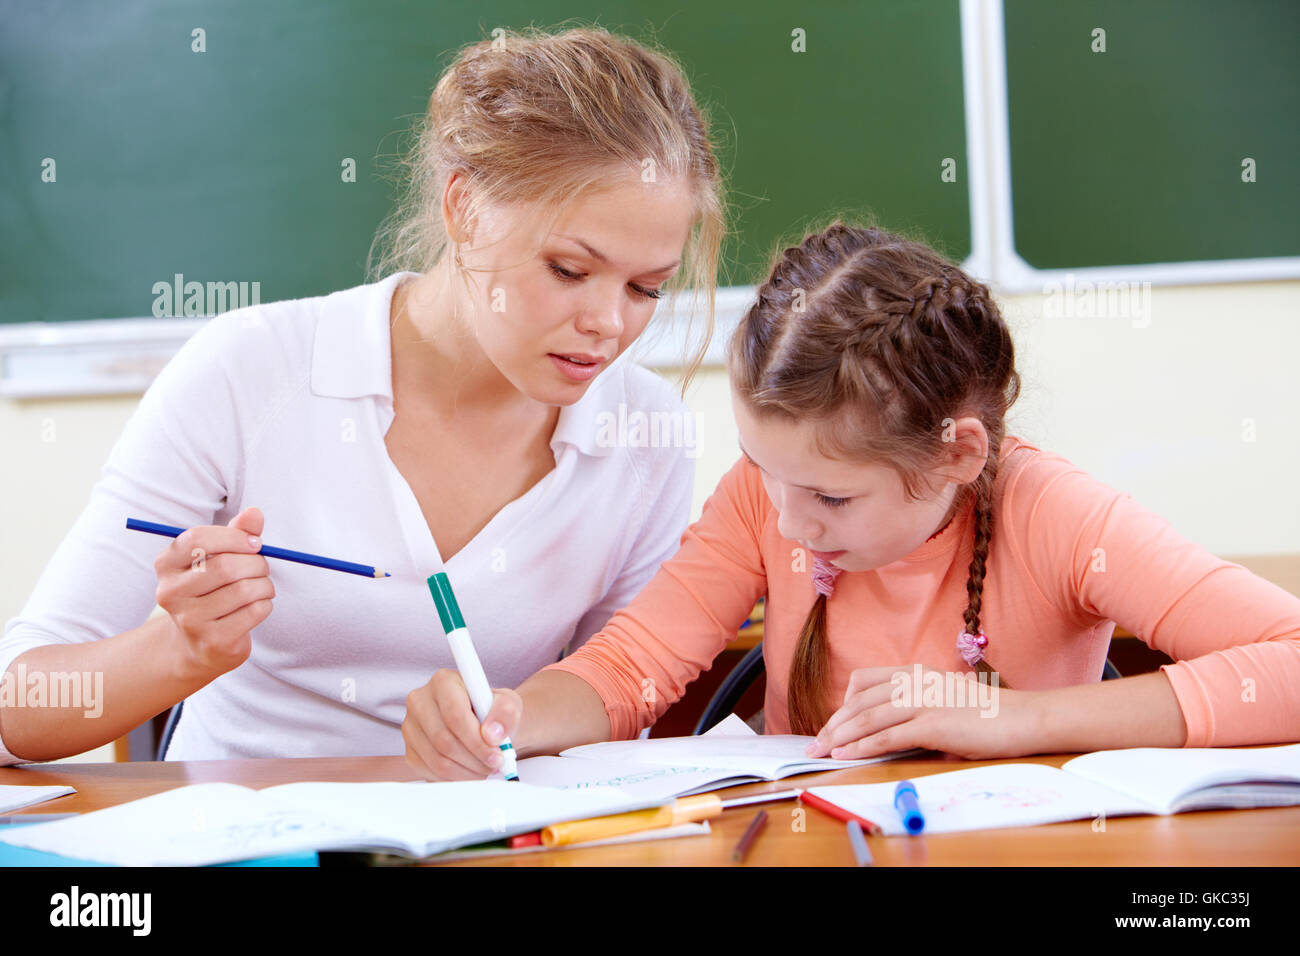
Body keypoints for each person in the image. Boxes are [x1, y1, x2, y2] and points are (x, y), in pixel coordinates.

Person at [0, 26, 725, 763]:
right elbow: (18, 705)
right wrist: (179, 652)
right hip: (253, 839)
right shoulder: (248, 370)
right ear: (464, 210)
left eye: (646, 289)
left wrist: (514, 724)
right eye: (570, 269)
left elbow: (626, 686)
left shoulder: (644, 431)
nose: (608, 324)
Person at [404, 221, 1300, 780]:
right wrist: (516, 715)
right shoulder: (767, 500)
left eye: (832, 495)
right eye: (765, 471)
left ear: (956, 454)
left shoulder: (1056, 514)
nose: (790, 525)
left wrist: (1019, 718)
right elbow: (637, 661)